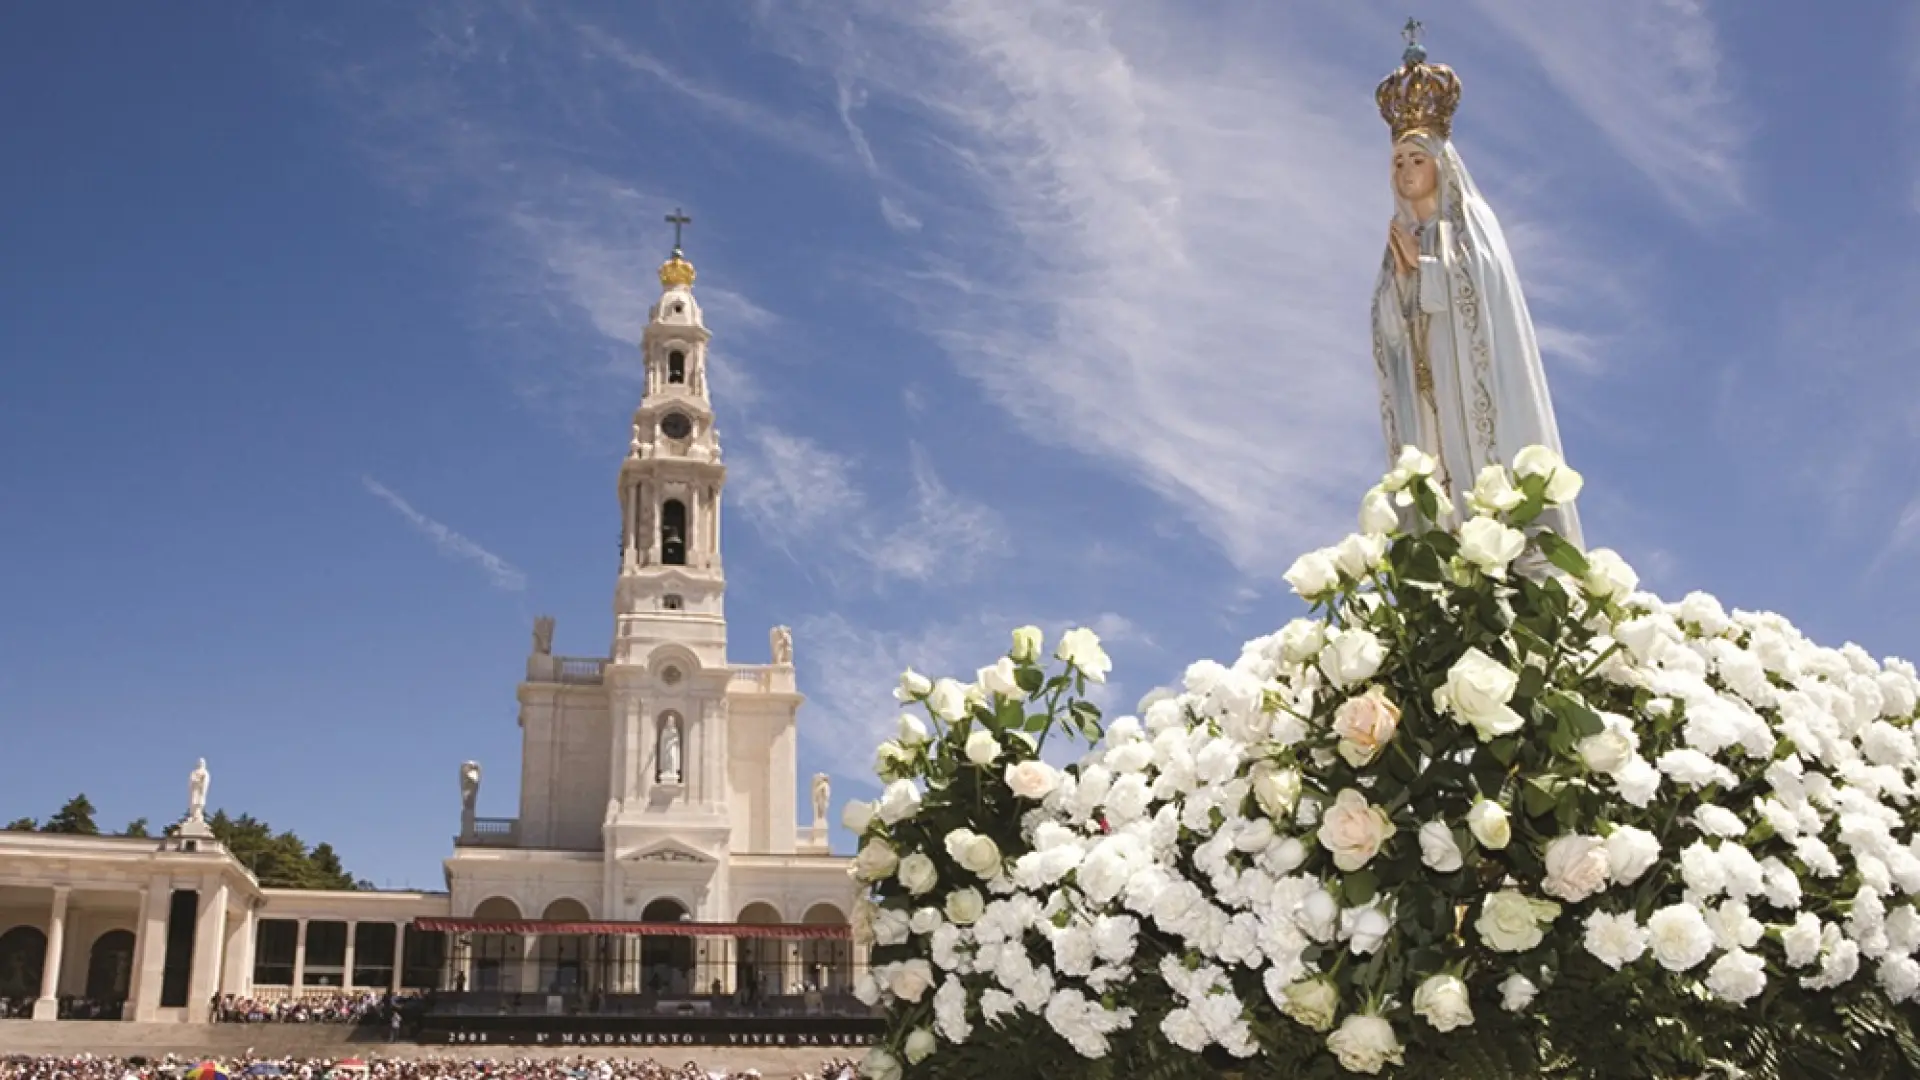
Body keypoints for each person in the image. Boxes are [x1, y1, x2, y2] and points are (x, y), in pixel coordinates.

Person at [1370, 28, 1583, 547]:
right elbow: (1388, 328)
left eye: (1417, 159)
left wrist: (1427, 270)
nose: (1406, 171)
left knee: (1481, 486)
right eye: (1398, 161)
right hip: (1426, 394)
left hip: (1469, 386)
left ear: (1440, 165)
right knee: (1432, 485)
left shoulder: (1470, 225)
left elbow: (1484, 291)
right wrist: (1403, 283)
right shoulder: (1399, 240)